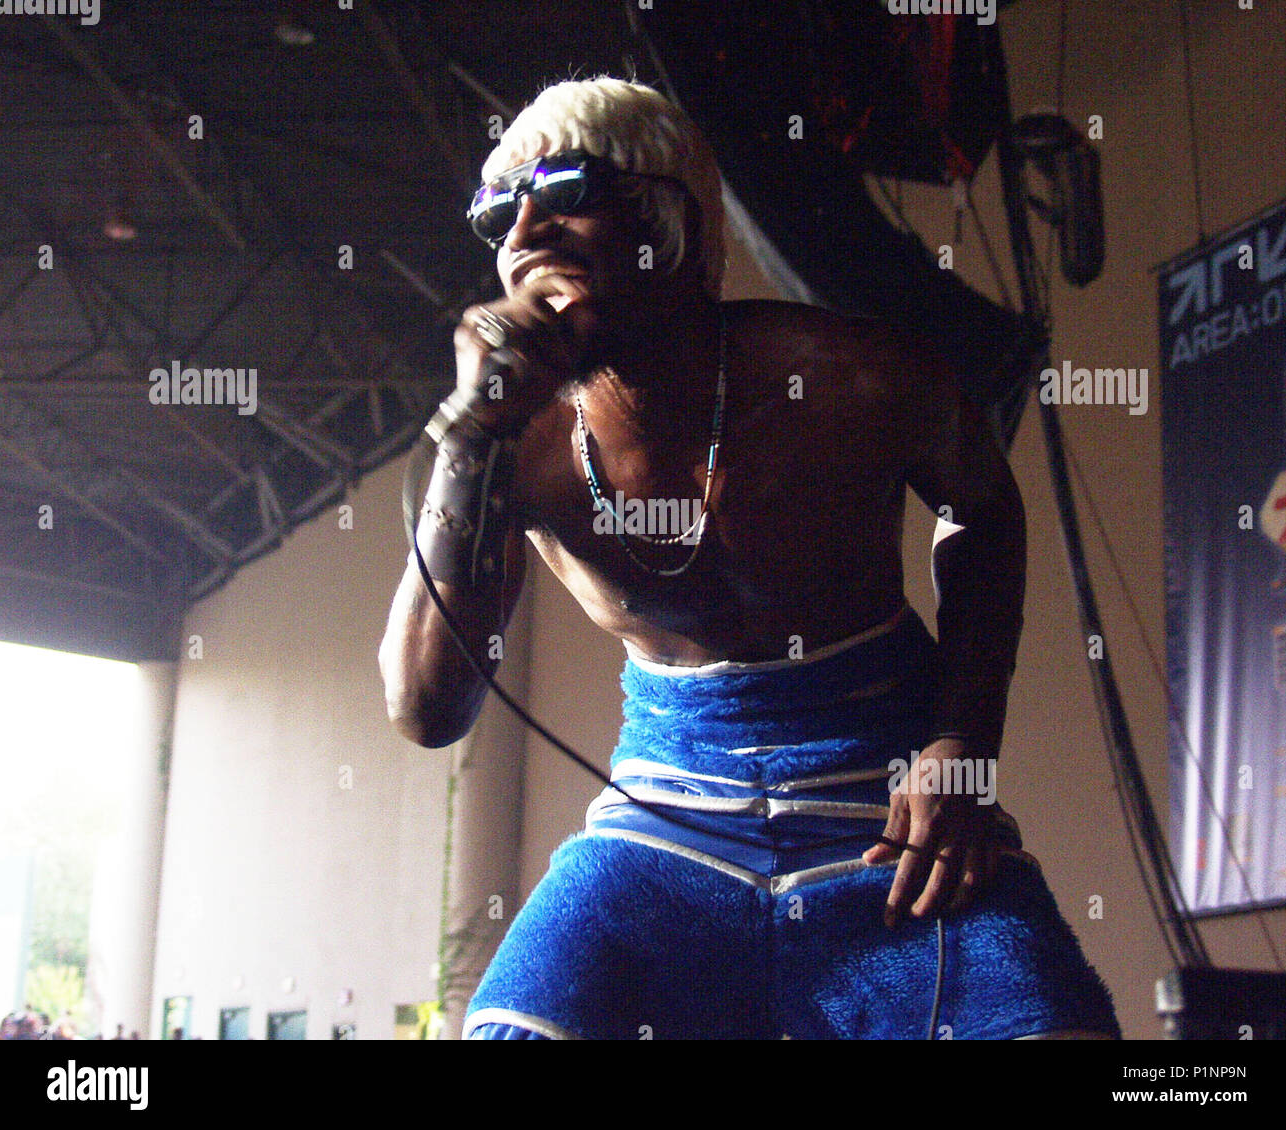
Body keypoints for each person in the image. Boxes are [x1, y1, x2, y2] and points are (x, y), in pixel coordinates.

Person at [379, 78, 1120, 1040]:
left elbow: (982, 508)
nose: (523, 231)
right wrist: (470, 439)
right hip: (663, 812)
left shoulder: (849, 373)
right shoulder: (509, 444)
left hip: (883, 807)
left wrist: (963, 741)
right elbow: (427, 710)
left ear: (671, 218)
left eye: (563, 190)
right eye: (498, 211)